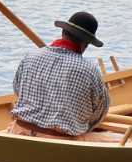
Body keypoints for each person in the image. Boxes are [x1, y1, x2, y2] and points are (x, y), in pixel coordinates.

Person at [8, 11, 113, 139]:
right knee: (120, 139)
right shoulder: (89, 70)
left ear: (63, 32)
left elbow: (18, 90)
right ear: (86, 43)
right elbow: (100, 112)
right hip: (59, 139)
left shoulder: (30, 57)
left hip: (19, 131)